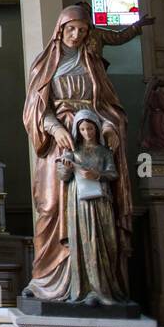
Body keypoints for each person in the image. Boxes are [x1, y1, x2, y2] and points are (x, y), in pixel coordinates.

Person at [21, 5, 136, 302]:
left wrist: (109, 127)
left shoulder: (93, 64)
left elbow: (109, 106)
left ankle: (94, 285)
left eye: (82, 31)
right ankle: (48, 280)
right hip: (58, 144)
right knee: (50, 207)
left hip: (89, 142)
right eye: (71, 29)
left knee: (94, 209)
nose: (76, 35)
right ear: (60, 30)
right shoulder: (45, 64)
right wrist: (54, 127)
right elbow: (35, 107)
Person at [57, 110, 128, 305]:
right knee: (83, 242)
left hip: (101, 200)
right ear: (77, 130)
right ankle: (83, 290)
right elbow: (63, 178)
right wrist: (65, 167)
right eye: (82, 129)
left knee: (106, 242)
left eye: (90, 128)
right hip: (79, 203)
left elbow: (113, 174)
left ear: (96, 129)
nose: (87, 132)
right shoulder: (74, 152)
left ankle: (104, 289)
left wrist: (97, 175)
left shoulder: (104, 152)